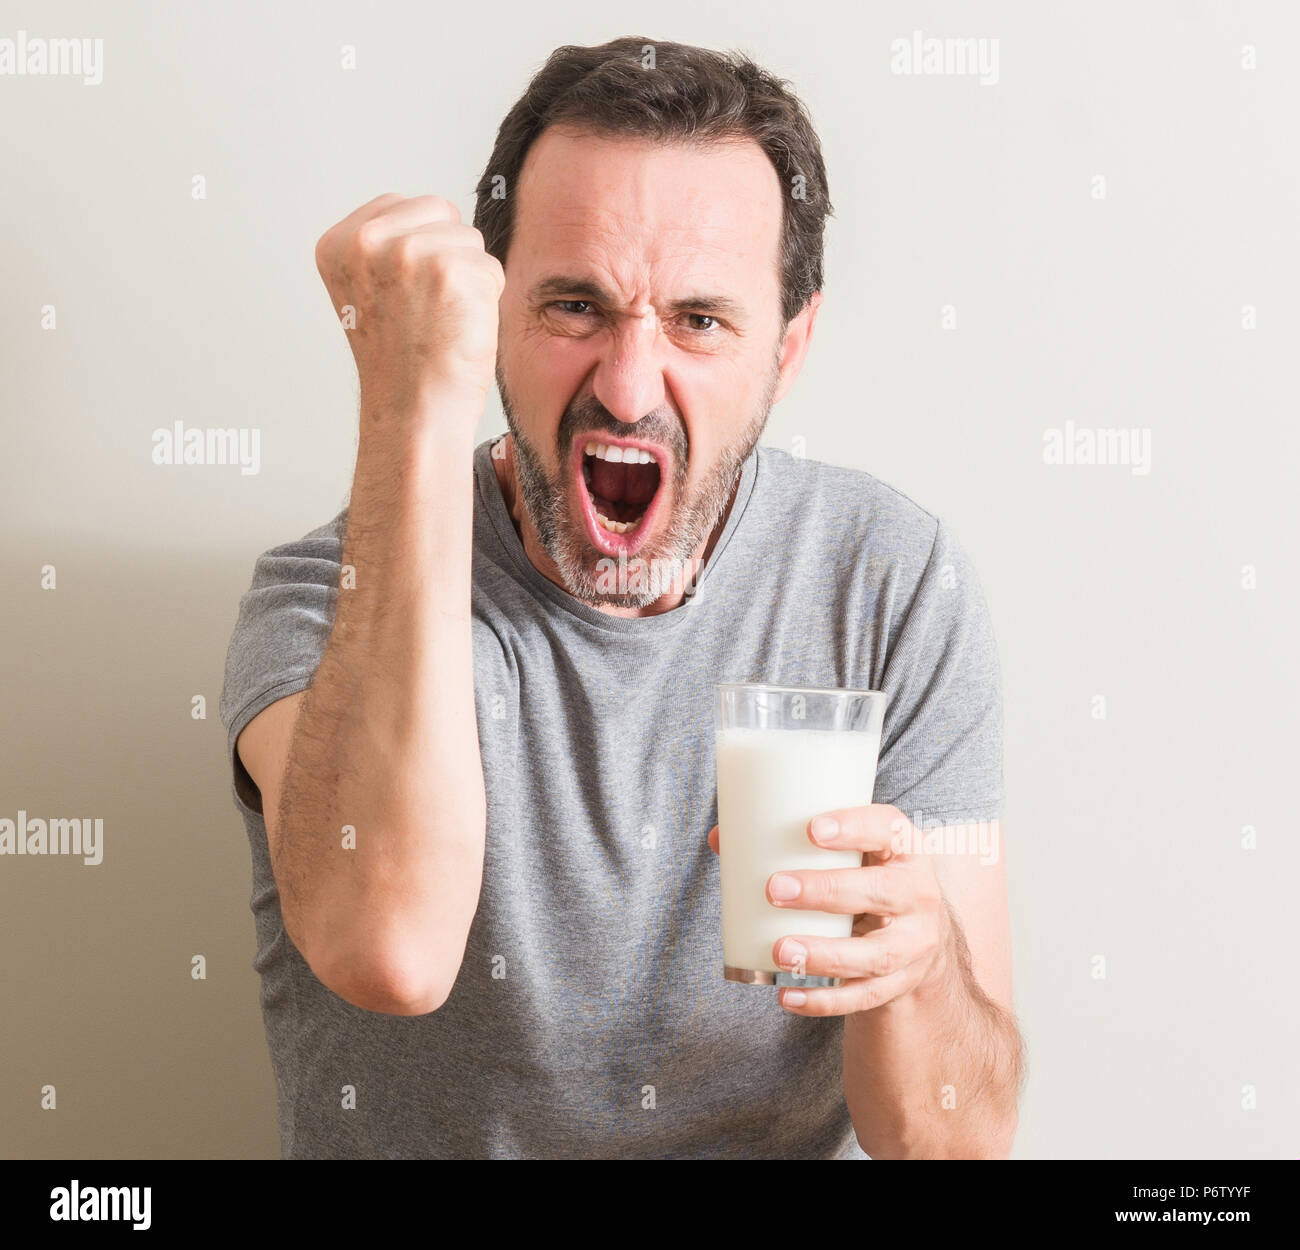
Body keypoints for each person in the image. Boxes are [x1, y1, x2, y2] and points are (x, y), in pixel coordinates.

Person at [220, 35, 1022, 1159]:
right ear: (494, 320)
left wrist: (922, 966)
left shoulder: (889, 585)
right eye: (573, 307)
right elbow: (386, 951)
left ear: (787, 350)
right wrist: (410, 402)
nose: (628, 386)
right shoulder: (331, 594)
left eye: (699, 319)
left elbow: (953, 1143)